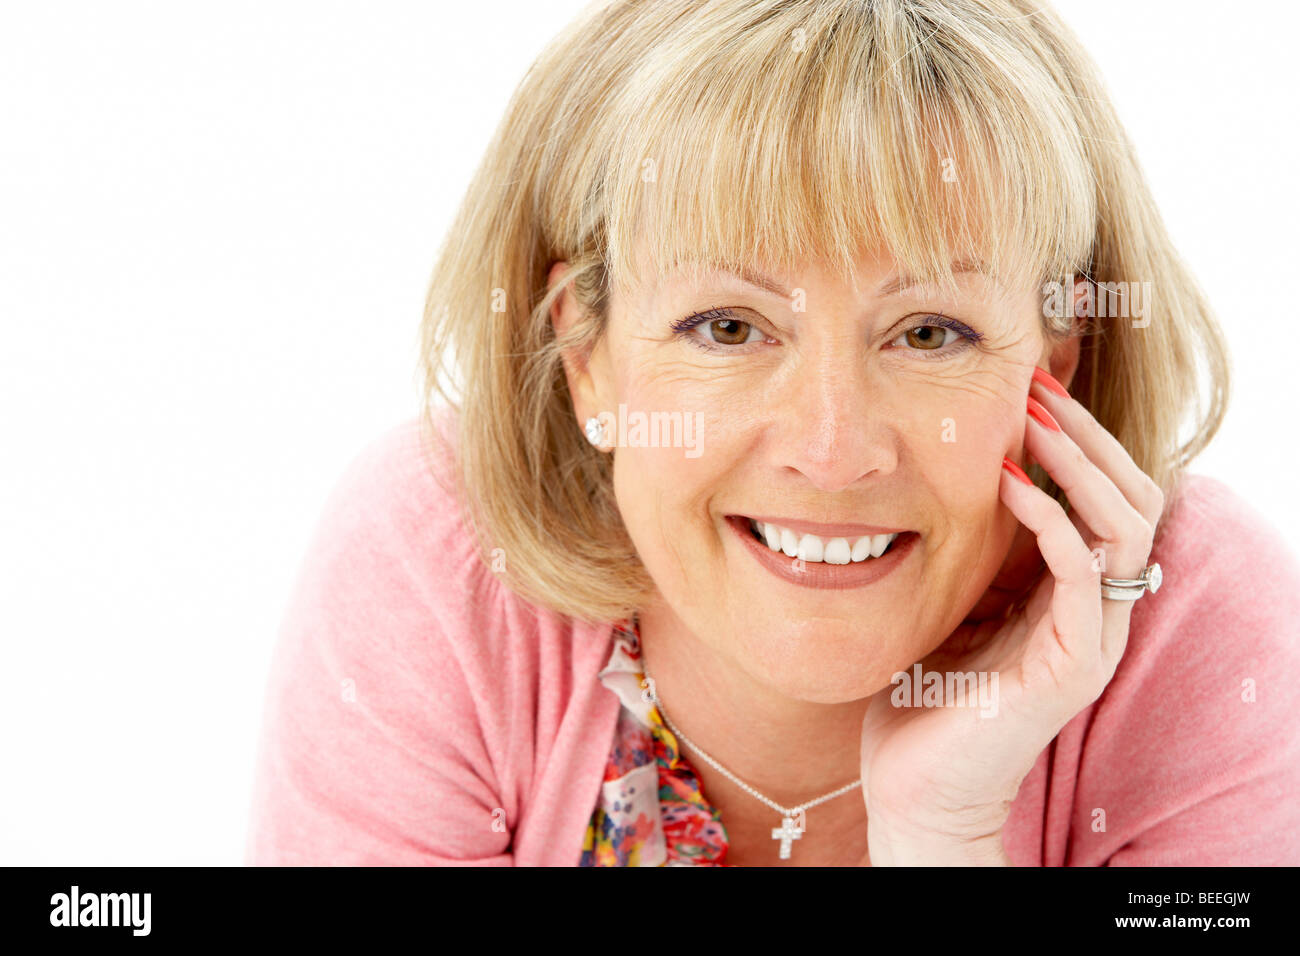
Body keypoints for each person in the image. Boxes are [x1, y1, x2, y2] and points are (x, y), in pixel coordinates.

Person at [245, 0, 1300, 866]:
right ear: (588, 355)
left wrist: (945, 834)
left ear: (1053, 364)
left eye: (929, 330)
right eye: (729, 326)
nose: (832, 449)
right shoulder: (444, 565)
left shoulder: (1193, 619)